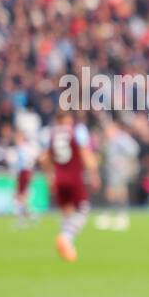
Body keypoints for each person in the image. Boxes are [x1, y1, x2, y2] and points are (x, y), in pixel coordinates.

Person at [41, 110, 98, 262]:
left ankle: (67, 247)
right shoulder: (77, 131)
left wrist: (49, 177)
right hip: (74, 178)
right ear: (68, 119)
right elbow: (85, 153)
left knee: (66, 212)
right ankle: (66, 238)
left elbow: (44, 158)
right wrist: (93, 174)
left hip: (58, 179)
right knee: (83, 210)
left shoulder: (51, 133)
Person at [99, 119, 139, 231]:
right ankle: (114, 215)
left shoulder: (122, 139)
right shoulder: (110, 141)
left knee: (118, 191)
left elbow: (133, 150)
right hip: (111, 170)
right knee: (113, 191)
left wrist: (125, 163)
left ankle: (120, 215)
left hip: (120, 170)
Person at [9, 128, 38, 227]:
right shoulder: (20, 148)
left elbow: (28, 162)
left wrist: (29, 174)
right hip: (22, 173)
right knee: (20, 196)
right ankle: (29, 216)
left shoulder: (24, 148)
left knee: (20, 196)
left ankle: (24, 219)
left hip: (24, 172)